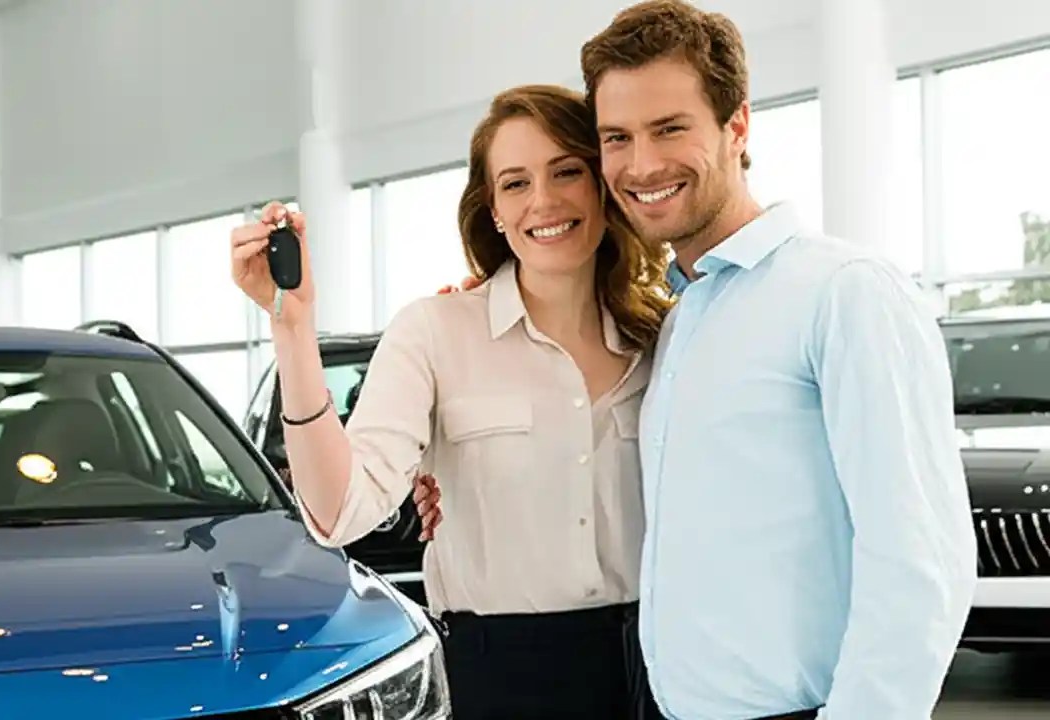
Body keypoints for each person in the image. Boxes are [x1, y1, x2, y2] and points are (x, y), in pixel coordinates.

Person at [419, 2, 979, 719]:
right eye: (617, 137)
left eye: (670, 128)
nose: (643, 164)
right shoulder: (680, 320)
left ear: (737, 124)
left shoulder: (843, 293)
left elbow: (920, 562)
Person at [229, 84, 670, 719]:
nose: (544, 200)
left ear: (602, 185)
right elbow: (340, 513)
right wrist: (294, 329)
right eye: (515, 183)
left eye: (566, 171)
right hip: (506, 678)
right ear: (491, 209)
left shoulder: (660, 338)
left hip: (663, 670)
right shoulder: (435, 332)